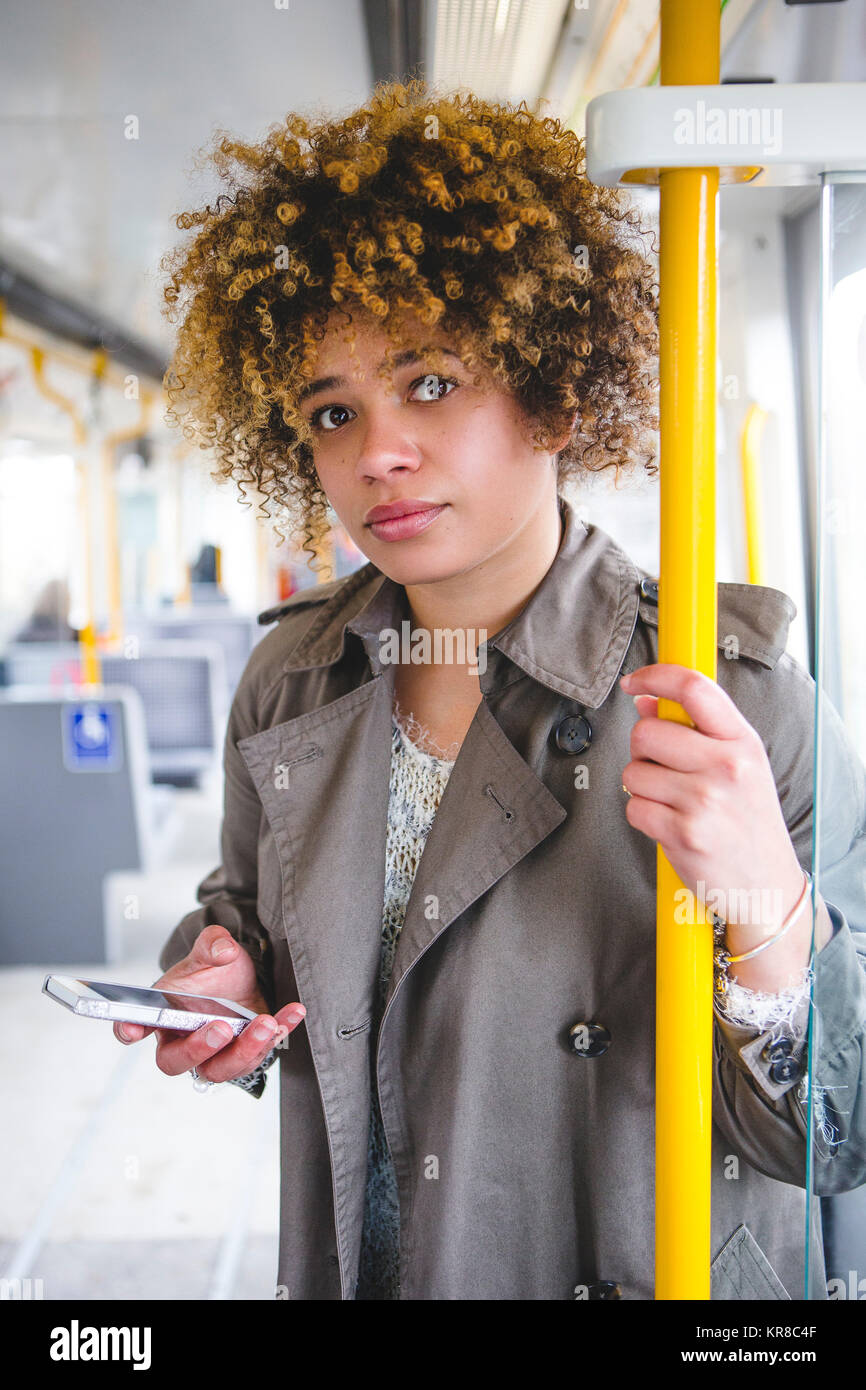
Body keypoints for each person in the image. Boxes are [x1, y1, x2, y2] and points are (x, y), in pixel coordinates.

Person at [115, 80, 866, 1299]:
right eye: (331, 410)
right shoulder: (291, 681)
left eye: (427, 384)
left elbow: (839, 1134)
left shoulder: (729, 697)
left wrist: (765, 905)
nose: (377, 454)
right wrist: (221, 970)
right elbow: (247, 913)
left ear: (553, 391)